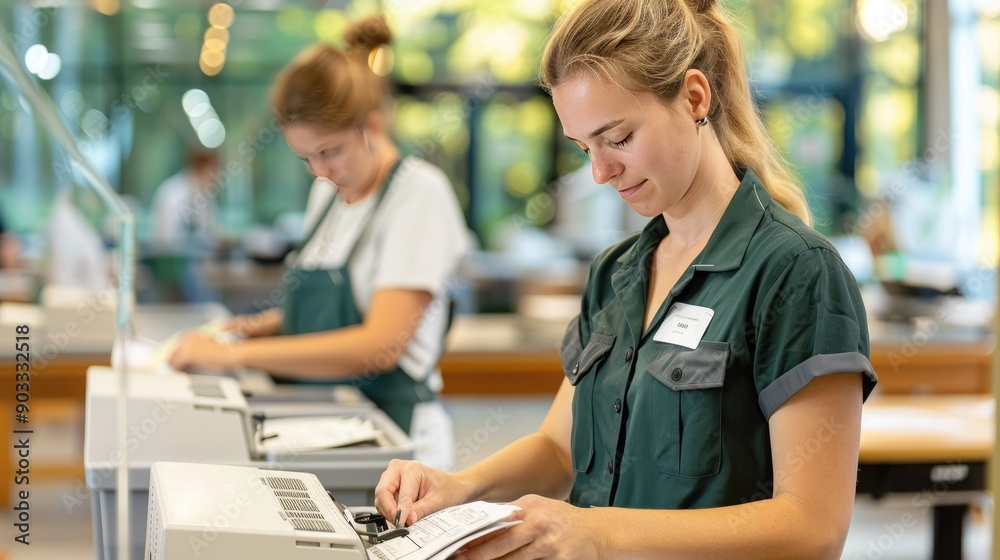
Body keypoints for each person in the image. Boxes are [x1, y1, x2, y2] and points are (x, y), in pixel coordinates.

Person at [373, 0, 877, 557]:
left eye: (618, 138)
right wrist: (458, 486)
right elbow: (558, 450)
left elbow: (812, 529)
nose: (599, 170)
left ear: (694, 97)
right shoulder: (615, 274)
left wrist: (597, 533)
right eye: (585, 147)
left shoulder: (796, 273)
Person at [168, 15, 472, 469]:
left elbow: (380, 344)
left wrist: (232, 356)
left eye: (329, 152)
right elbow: (337, 310)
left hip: (397, 444)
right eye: (306, 158)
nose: (320, 172)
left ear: (372, 126)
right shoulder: (326, 194)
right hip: (327, 428)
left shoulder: (418, 195)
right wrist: (264, 325)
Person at [147, 147, 222, 302]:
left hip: (192, 260)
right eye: (214, 170)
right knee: (199, 283)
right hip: (171, 262)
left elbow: (209, 229)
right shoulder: (173, 192)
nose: (217, 176)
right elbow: (168, 239)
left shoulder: (204, 193)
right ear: (205, 168)